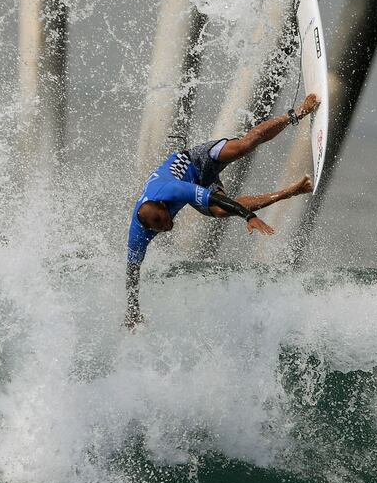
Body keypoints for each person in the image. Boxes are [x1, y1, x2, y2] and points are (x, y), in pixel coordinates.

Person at [124, 93, 321, 327]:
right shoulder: (139, 234)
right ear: (148, 227)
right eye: (161, 228)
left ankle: (297, 112)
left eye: (166, 220)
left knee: (244, 146)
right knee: (219, 212)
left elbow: (218, 199)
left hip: (196, 161)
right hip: (197, 185)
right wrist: (132, 312)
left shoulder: (173, 190)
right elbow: (132, 271)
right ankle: (289, 192)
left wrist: (248, 216)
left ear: (163, 205)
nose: (168, 226)